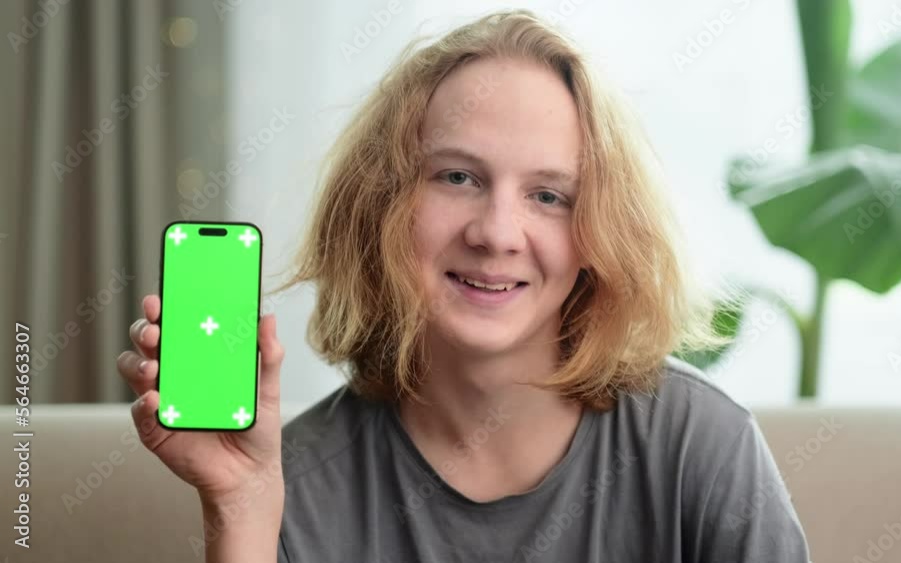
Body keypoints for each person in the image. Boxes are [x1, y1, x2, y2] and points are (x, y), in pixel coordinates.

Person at [116, 9, 811, 563]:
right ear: (382, 204)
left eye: (549, 195)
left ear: (600, 233)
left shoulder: (701, 446)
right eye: (457, 177)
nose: (497, 232)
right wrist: (240, 505)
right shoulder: (294, 478)